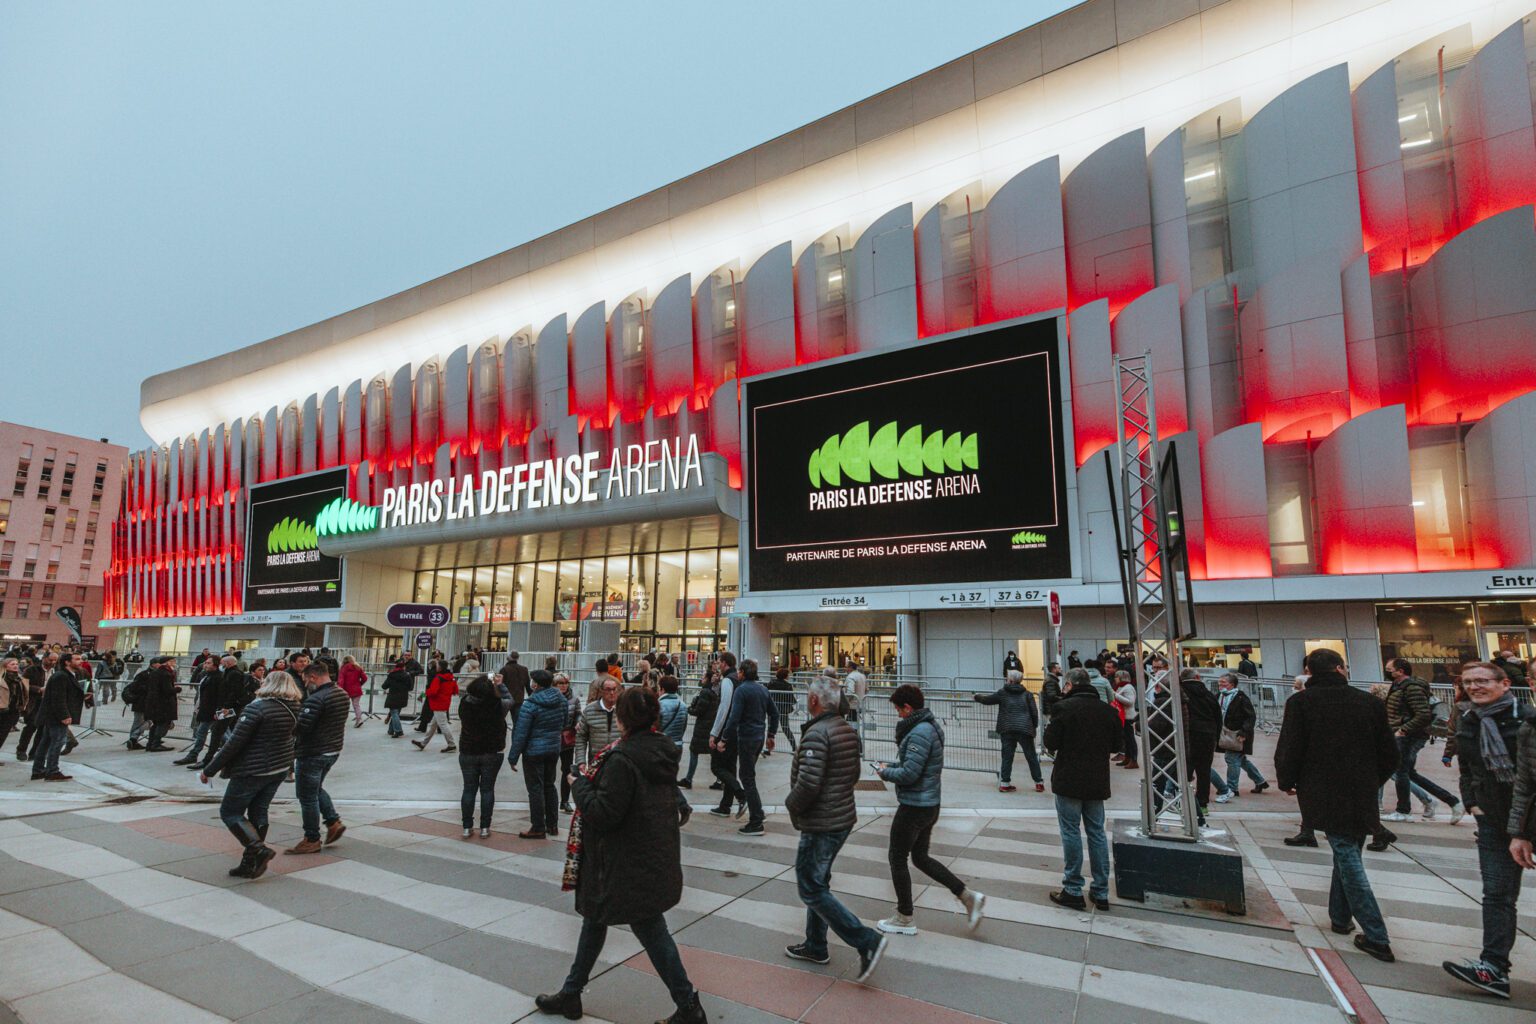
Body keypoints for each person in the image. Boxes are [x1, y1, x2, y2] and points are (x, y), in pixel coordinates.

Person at [534, 688, 707, 1024]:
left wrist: (578, 783)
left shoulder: (623, 759)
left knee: (649, 930)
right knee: (596, 920)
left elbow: (603, 812)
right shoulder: (662, 750)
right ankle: (571, 993)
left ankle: (688, 1007)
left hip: (623, 864)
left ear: (624, 719)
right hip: (647, 855)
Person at [1274, 648, 1398, 962]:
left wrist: (1287, 780)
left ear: (1309, 671)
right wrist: (1373, 779)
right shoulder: (1368, 702)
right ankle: (1340, 918)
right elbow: (1389, 752)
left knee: (1346, 851)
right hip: (1360, 788)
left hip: (1321, 788)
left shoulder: (1301, 703)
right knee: (1348, 847)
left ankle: (1375, 934)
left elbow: (1290, 745)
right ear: (1341, 668)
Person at [782, 677, 888, 982]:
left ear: (815, 701)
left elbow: (809, 783)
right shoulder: (845, 729)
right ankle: (816, 945)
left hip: (821, 821)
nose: (805, 700)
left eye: (807, 696)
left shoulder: (818, 733)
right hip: (841, 816)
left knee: (810, 886)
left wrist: (792, 804)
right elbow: (852, 774)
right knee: (818, 882)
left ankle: (867, 941)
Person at [1439, 662, 1533, 998]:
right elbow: (1468, 767)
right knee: (1497, 895)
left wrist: (1523, 830)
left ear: (1505, 683)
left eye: (1482, 681)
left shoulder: (1526, 719)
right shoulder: (1468, 719)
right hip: (1493, 820)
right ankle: (1493, 969)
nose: (1475, 687)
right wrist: (1472, 804)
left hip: (1527, 819)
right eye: (1468, 683)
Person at [874, 684, 986, 934]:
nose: (898, 715)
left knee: (897, 857)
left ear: (908, 707)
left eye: (898, 710)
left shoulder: (919, 732)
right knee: (920, 857)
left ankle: (904, 917)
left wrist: (885, 772)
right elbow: (916, 764)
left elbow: (910, 773)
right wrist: (891, 764)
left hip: (915, 806)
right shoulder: (929, 726)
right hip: (929, 802)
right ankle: (967, 896)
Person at [199, 670, 301, 879]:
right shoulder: (293, 707)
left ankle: (257, 849)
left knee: (230, 812)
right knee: (259, 812)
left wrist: (210, 769)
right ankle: (251, 863)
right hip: (279, 766)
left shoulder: (257, 708)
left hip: (253, 769)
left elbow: (234, 743)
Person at [1043, 667, 1122, 909]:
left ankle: (1073, 888)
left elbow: (1050, 742)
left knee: (1071, 831)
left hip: (1069, 778)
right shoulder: (1107, 711)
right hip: (1097, 780)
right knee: (1097, 832)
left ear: (1069, 685)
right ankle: (1100, 891)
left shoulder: (1063, 708)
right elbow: (1117, 744)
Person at [1382, 658, 1463, 823]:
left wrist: (1402, 729)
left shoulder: (1411, 688)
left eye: (1389, 669)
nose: (1387, 672)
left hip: (1408, 736)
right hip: (1406, 734)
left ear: (1400, 671)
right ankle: (1452, 801)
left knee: (1401, 772)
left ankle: (1403, 810)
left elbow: (1423, 714)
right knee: (1408, 773)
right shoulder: (1399, 686)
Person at [286, 661, 350, 855]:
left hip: (313, 752)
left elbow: (302, 728)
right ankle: (332, 821)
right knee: (315, 788)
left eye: (306, 680)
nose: (306, 685)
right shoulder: (341, 693)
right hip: (332, 750)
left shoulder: (316, 699)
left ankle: (312, 838)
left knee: (307, 796)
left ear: (313, 677)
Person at [716, 658, 777, 834]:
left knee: (747, 777)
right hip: (759, 737)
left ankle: (756, 820)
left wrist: (724, 739)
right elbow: (774, 713)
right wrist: (771, 735)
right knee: (748, 775)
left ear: (742, 673)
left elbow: (734, 718)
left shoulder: (741, 691)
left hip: (746, 737)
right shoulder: (763, 690)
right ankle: (758, 812)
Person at [507, 668, 566, 839]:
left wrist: (513, 756)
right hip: (553, 748)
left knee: (535, 788)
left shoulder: (530, 704)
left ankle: (538, 826)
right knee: (550, 785)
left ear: (536, 684)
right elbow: (564, 721)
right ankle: (553, 824)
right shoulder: (560, 699)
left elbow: (521, 733)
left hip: (534, 751)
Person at [456, 674, 508, 839]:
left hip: (468, 750)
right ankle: (485, 826)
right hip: (491, 751)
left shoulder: (464, 704)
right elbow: (509, 699)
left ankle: (466, 826)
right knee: (487, 790)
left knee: (469, 789)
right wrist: (500, 686)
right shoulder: (497, 705)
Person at [974, 670, 1042, 792]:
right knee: (1031, 756)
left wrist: (976, 697)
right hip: (1025, 728)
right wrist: (1033, 726)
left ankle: (1005, 783)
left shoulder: (1003, 693)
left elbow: (986, 700)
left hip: (1007, 728)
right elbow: (1034, 713)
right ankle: (1039, 782)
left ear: (1010, 680)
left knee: (1007, 756)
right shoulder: (1027, 694)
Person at [1175, 669, 1222, 824]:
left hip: (1188, 733)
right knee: (1204, 770)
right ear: (1197, 677)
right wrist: (1216, 736)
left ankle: (1182, 799)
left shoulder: (1180, 693)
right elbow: (1218, 716)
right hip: (1207, 735)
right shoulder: (1208, 694)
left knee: (1186, 768)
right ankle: (1202, 803)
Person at [30, 652, 86, 781]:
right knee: (56, 743)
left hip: (52, 715)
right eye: (77, 659)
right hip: (55, 716)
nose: (80, 661)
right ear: (67, 662)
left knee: (45, 742)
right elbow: (58, 698)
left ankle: (38, 770)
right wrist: (64, 715)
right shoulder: (61, 676)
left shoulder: (67, 675)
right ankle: (52, 771)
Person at [1217, 673, 1269, 797]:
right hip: (1226, 733)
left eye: (1224, 683)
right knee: (1241, 759)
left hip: (1238, 734)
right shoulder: (1219, 696)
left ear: (1232, 684)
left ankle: (1231, 788)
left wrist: (1244, 731)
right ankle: (1260, 781)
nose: (1220, 685)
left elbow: (1250, 716)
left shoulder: (1241, 698)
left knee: (1232, 759)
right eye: (1219, 682)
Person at [681, 669, 718, 789]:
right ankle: (719, 779)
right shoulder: (712, 692)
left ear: (707, 679)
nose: (701, 679)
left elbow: (699, 710)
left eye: (703, 677)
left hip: (702, 728)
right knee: (713, 753)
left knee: (694, 751)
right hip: (709, 726)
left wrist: (690, 709)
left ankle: (689, 778)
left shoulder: (705, 693)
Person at [575, 675, 621, 768]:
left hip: (619, 762)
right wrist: (581, 761)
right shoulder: (590, 710)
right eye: (608, 689)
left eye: (614, 689)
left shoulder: (623, 709)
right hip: (596, 762)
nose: (612, 693)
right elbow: (581, 737)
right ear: (601, 691)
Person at [413, 664, 459, 751]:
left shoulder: (438, 678)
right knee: (433, 725)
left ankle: (451, 744)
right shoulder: (452, 678)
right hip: (445, 702)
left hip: (437, 703)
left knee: (443, 724)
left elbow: (433, 691)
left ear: (440, 668)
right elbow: (455, 690)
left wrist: (424, 694)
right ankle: (423, 743)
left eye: (438, 666)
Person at [139, 656, 180, 752]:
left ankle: (151, 743)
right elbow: (167, 690)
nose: (174, 662)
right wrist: (177, 689)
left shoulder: (156, 673)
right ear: (166, 662)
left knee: (156, 723)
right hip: (163, 703)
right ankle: (156, 744)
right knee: (162, 724)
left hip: (155, 702)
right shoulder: (165, 674)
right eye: (172, 661)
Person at [554, 672, 580, 811]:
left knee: (567, 769)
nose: (563, 686)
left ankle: (564, 800)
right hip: (553, 737)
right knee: (550, 771)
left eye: (565, 683)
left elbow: (578, 714)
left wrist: (578, 723)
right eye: (560, 683)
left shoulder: (574, 700)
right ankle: (551, 799)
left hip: (567, 737)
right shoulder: (552, 699)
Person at [765, 667, 797, 753]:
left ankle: (768, 749)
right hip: (783, 710)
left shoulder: (771, 683)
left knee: (770, 729)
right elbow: (791, 700)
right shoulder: (788, 686)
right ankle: (794, 747)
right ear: (785, 676)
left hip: (772, 709)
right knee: (786, 728)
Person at [381, 659, 413, 737]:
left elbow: (384, 686)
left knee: (394, 713)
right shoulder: (407, 675)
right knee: (396, 713)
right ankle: (391, 730)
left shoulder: (391, 675)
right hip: (403, 697)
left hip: (393, 696)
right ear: (404, 667)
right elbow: (410, 687)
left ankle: (398, 731)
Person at [0, 658, 24, 755]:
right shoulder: (2, 678)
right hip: (2, 708)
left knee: (3, 734)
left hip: (13, 710)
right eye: (12, 664)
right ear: (6, 666)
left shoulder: (19, 679)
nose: (15, 666)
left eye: (16, 664)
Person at [338, 655, 367, 727]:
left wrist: (339, 689)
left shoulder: (343, 668)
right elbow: (365, 678)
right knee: (356, 705)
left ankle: (341, 721)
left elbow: (341, 680)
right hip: (356, 689)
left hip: (346, 690)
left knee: (344, 706)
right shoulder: (358, 667)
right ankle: (359, 719)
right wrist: (359, 684)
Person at [500, 650, 530, 715]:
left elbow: (500, 684)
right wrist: (531, 695)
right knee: (517, 721)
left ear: (508, 658)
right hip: (519, 698)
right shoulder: (524, 669)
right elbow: (527, 685)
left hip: (506, 699)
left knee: (500, 719)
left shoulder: (504, 669)